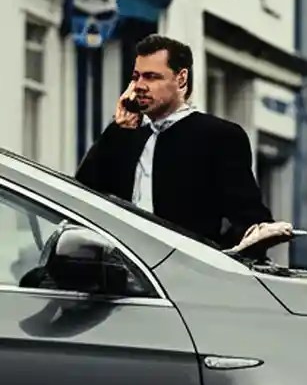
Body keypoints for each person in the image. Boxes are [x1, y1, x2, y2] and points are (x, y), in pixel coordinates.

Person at [75, 34, 274, 252]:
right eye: (136, 77)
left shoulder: (219, 136)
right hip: (126, 265)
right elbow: (83, 194)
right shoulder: (127, 136)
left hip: (185, 266)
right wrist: (117, 129)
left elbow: (250, 220)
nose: (139, 86)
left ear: (181, 79)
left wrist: (210, 256)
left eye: (151, 77)